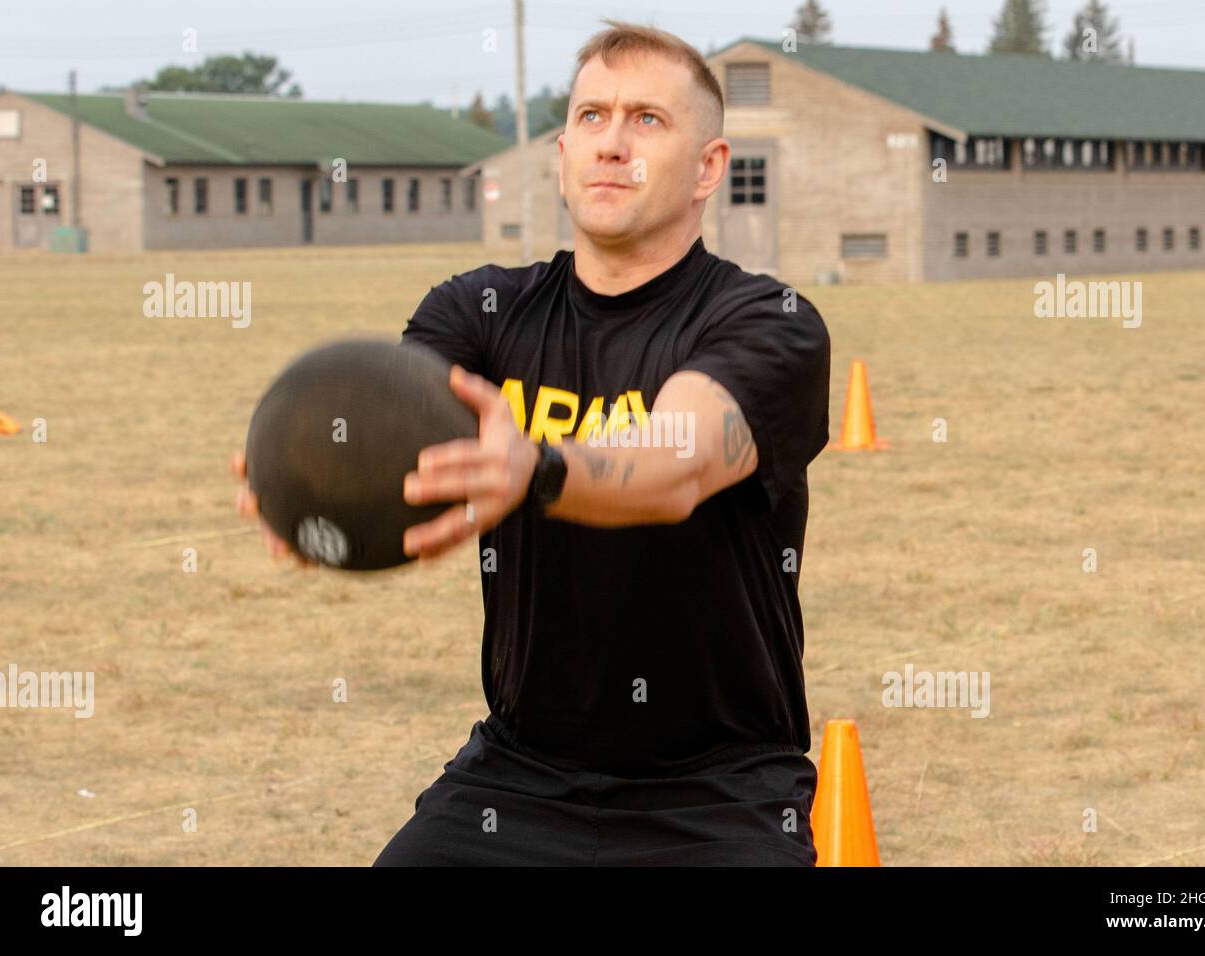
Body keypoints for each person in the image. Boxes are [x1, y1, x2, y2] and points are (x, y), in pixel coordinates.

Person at [233, 20, 831, 866]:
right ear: (560, 153)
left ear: (709, 168)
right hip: (517, 778)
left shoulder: (768, 323)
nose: (612, 144)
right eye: (591, 118)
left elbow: (678, 463)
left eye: (647, 121)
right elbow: (388, 429)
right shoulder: (479, 313)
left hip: (720, 794)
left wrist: (537, 467)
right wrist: (311, 481)